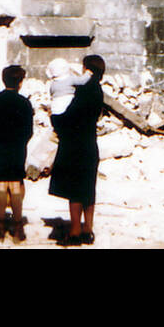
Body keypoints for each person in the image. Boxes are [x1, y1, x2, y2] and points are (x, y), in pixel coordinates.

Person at [48, 53, 105, 246]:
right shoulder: (98, 90)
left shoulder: (82, 90)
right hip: (90, 142)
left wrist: (54, 119)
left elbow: (71, 115)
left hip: (74, 144)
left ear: (87, 68)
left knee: (74, 188)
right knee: (89, 188)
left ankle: (74, 231)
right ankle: (88, 229)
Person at [0, 65, 34, 241]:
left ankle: (0, 226)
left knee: (1, 184)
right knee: (15, 184)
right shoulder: (24, 103)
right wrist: (20, 143)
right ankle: (18, 228)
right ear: (20, 82)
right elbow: (29, 130)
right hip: (17, 147)